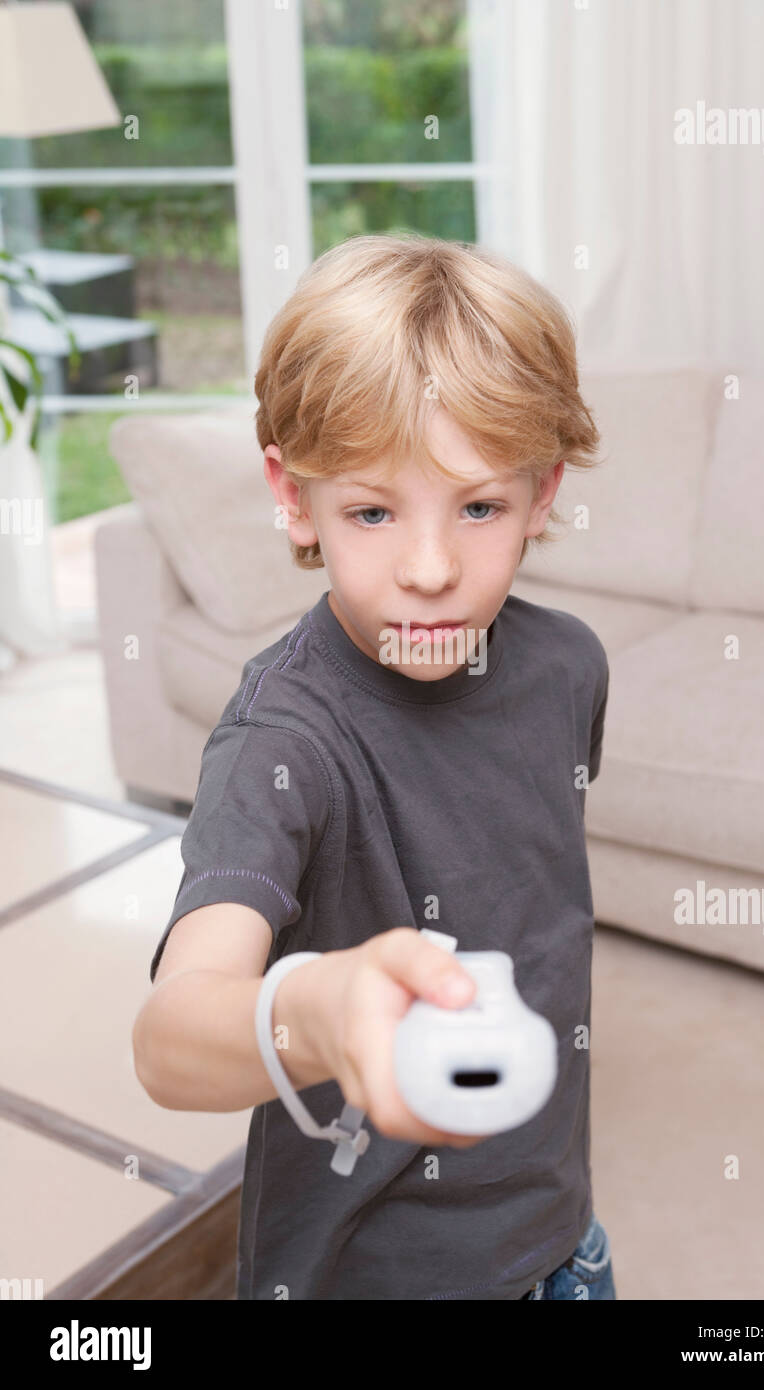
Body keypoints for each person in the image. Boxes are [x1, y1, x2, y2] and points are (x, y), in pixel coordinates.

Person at [132, 232, 615, 1301]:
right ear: (293, 498)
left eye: (479, 505)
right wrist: (312, 1007)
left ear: (543, 494)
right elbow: (169, 1038)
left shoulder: (566, 669)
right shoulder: (282, 742)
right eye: (370, 510)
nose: (431, 569)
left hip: (560, 1246)